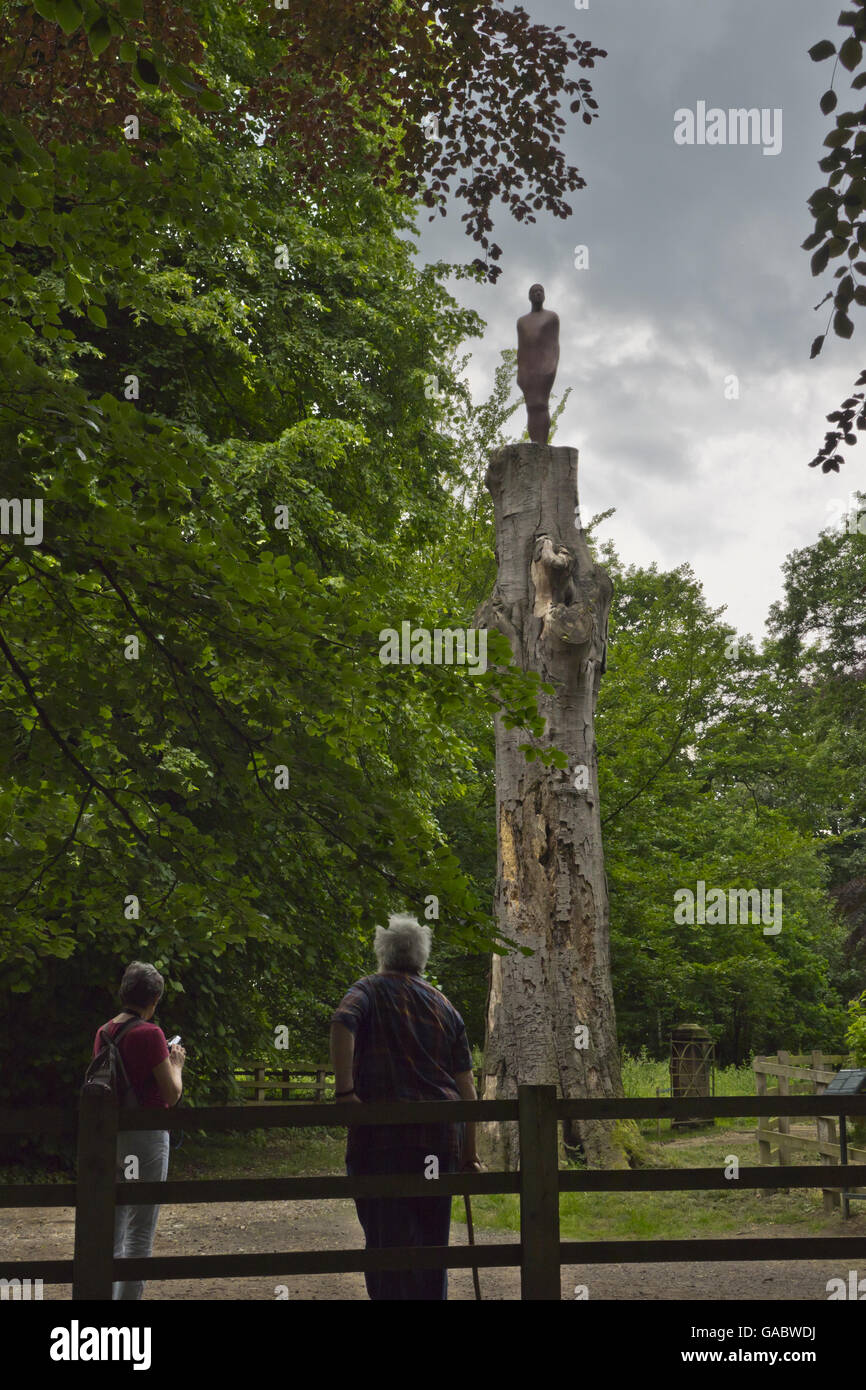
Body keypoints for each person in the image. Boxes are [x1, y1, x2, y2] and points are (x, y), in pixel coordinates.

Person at [330, 914, 483, 1300]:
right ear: (422, 957)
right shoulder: (444, 1006)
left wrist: (345, 1093)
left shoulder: (367, 989)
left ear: (382, 952)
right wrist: (470, 1155)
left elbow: (341, 1022)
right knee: (432, 1244)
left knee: (386, 1242)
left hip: (382, 1142)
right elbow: (467, 1091)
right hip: (437, 1143)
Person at [91, 961, 185, 1300]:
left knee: (112, 1227)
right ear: (155, 999)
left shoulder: (104, 1032)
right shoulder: (151, 1034)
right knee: (140, 1232)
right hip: (145, 1138)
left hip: (109, 1138)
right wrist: (176, 1064)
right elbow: (171, 1095)